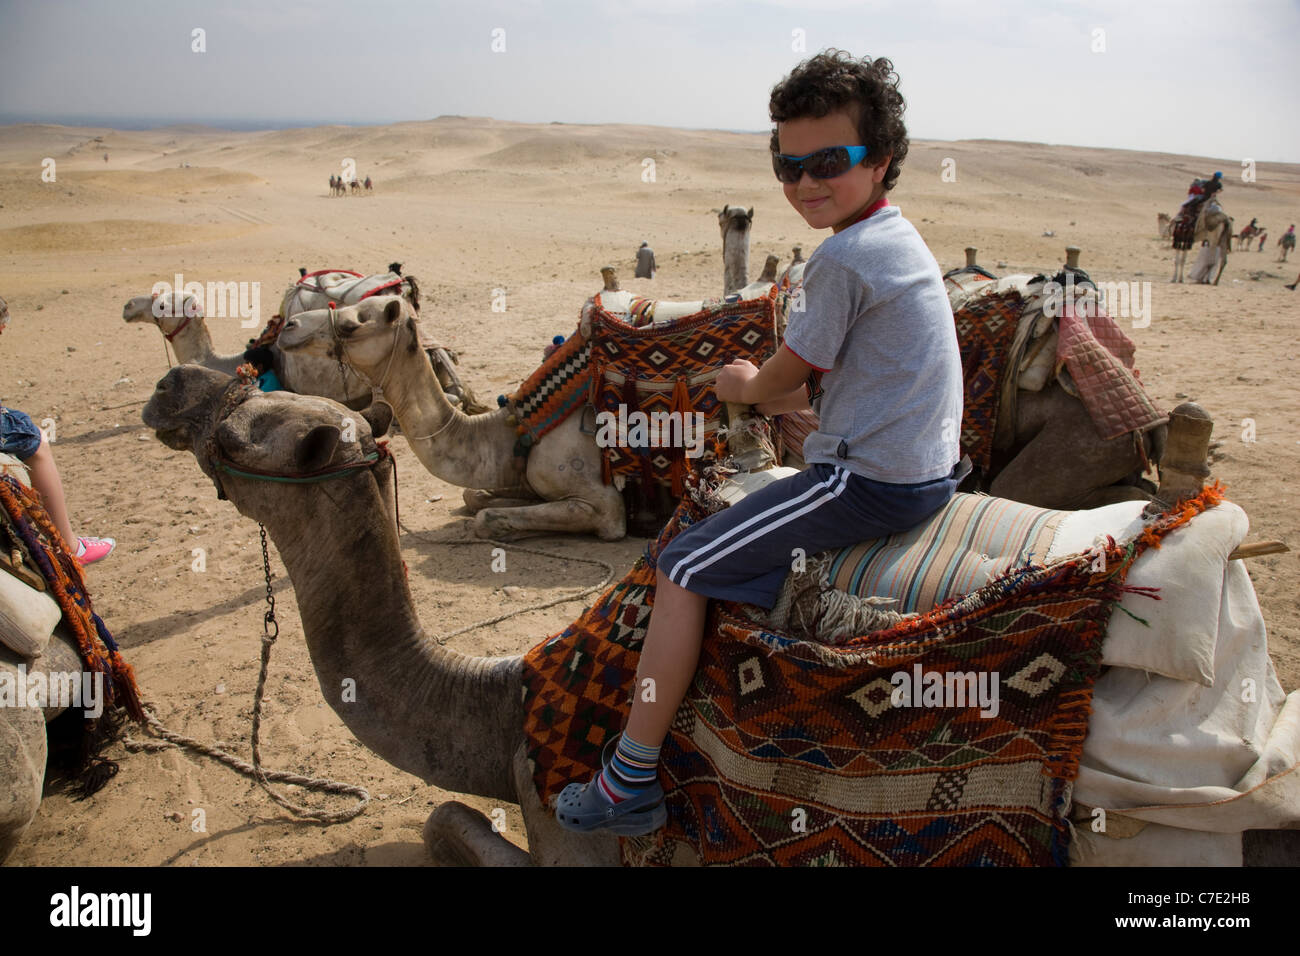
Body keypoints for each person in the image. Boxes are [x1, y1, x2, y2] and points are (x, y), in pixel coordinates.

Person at [554, 49, 965, 835]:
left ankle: (628, 780)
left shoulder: (845, 256)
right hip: (924, 464)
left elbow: (783, 379)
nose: (807, 183)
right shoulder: (896, 236)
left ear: (879, 160)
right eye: (789, 165)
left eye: (829, 163)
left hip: (870, 481)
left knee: (679, 567)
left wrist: (739, 383)